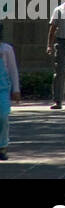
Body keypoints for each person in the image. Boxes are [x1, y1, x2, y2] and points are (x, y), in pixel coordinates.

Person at [0, 25, 20, 161]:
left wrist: (16, 89)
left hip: (2, 90)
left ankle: (2, 146)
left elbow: (13, 70)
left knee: (3, 117)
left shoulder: (6, 49)